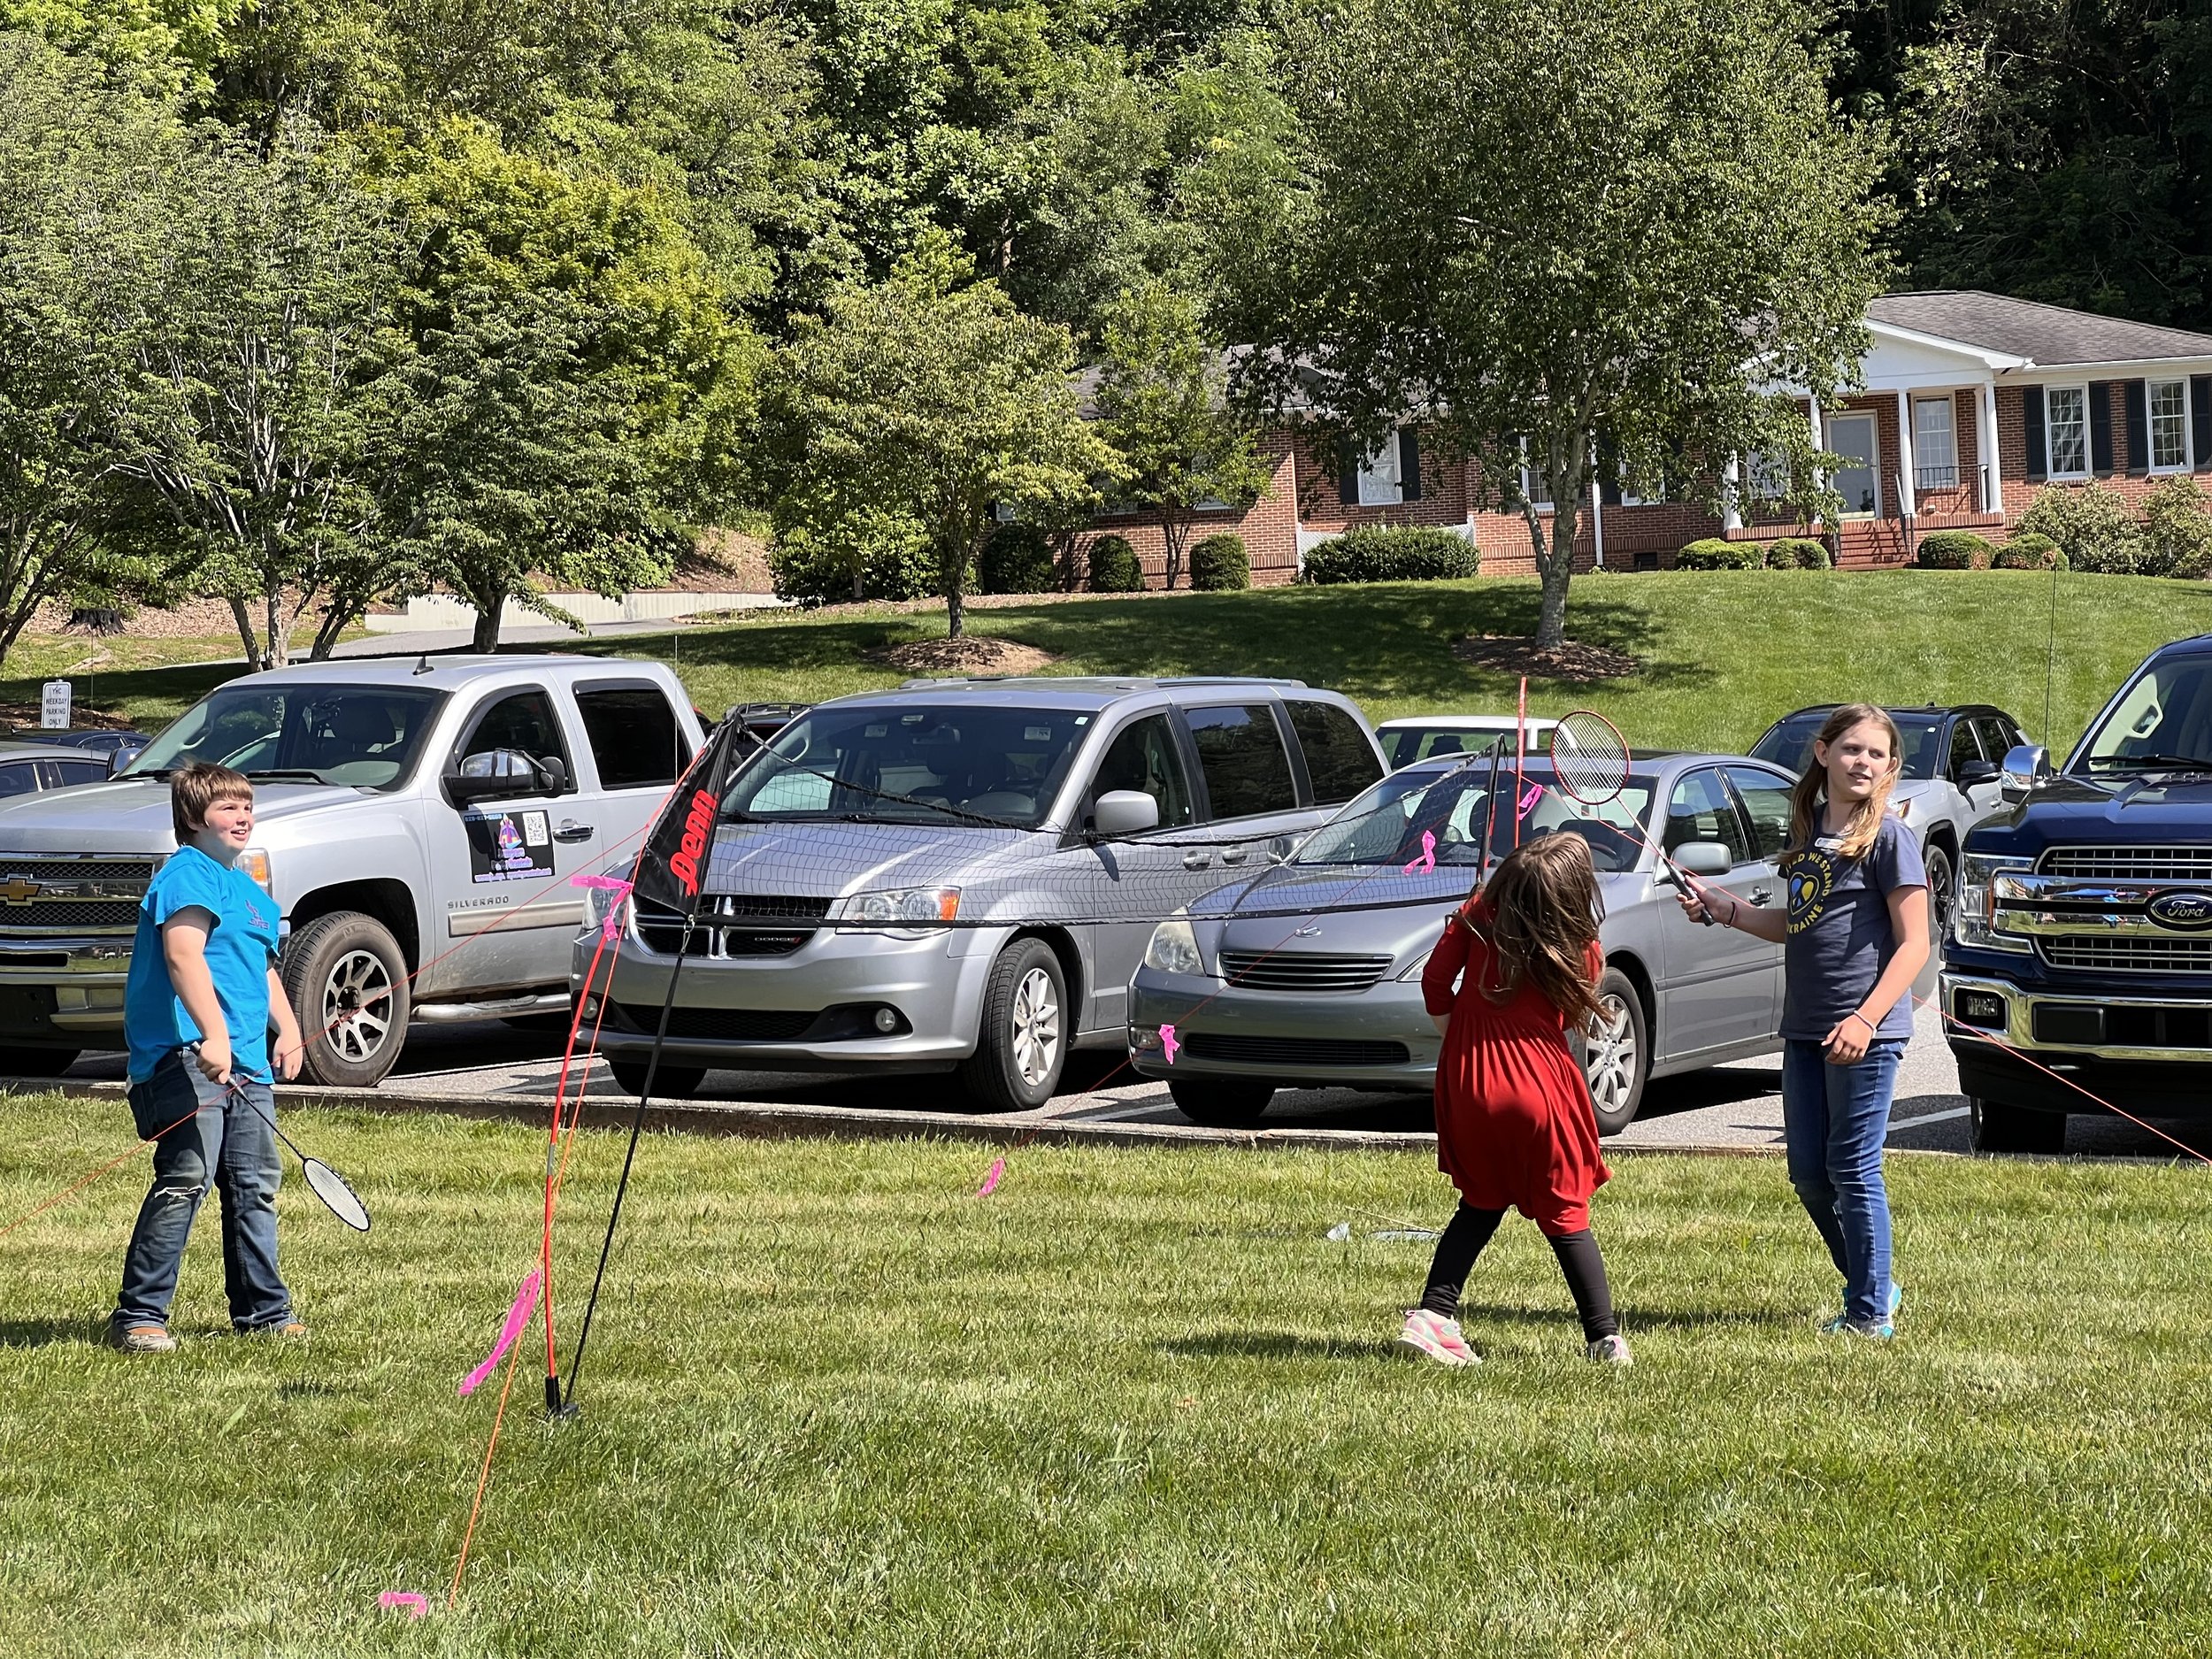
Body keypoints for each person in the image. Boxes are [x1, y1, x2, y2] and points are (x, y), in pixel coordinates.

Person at [1674, 703, 1930, 1340]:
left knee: (1854, 1166)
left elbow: (1915, 944)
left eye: (1875, 753)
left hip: (1865, 1031)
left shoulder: (1889, 839)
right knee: (1809, 1173)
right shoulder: (1811, 827)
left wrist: (1867, 1019)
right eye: (1851, 749)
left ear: (1892, 767)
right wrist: (1724, 908)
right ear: (1822, 754)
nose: (1862, 761)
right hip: (1806, 1027)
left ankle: (1869, 1313)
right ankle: (1876, 1286)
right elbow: (1798, 923)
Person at [1400, 833, 1632, 1368]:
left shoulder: (1475, 918)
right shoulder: (1579, 943)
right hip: (1538, 1084)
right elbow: (1574, 1006)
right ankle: (1604, 1337)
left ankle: (1434, 1313)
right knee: (1566, 1211)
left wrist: (1463, 1035)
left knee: (1481, 1197)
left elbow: (1435, 983)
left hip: (1467, 1080)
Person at [108, 762, 307, 1354]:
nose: (243, 815)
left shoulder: (250, 893)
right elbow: (183, 955)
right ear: (194, 819)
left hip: (246, 1064)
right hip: (184, 1056)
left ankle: (264, 1314)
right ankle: (139, 1314)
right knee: (187, 1174)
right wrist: (212, 1037)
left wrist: (289, 1027)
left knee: (254, 1181)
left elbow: (263, 967)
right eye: (227, 807)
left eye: (246, 805)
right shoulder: (186, 875)